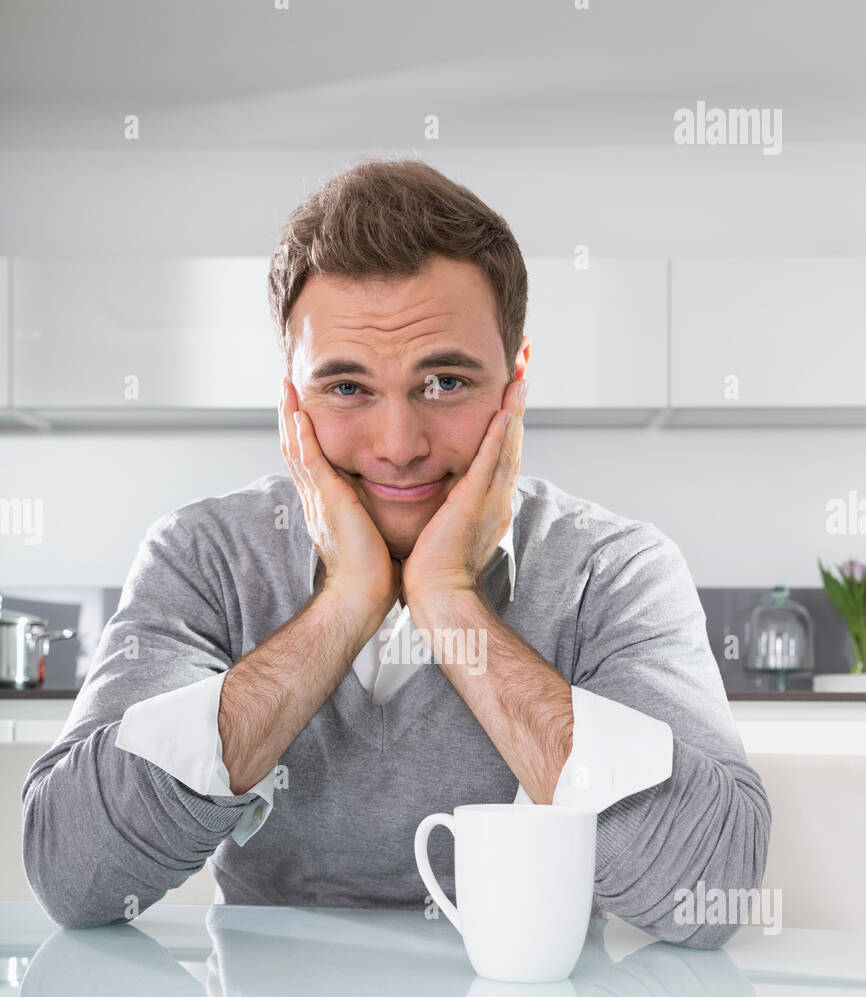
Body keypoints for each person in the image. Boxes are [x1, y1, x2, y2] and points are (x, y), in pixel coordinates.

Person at [22, 158, 770, 942]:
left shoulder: (614, 571)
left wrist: (450, 601)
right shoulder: (203, 555)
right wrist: (346, 603)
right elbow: (76, 876)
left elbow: (704, 891)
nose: (399, 446)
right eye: (347, 388)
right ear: (291, 397)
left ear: (516, 381)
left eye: (444, 381)